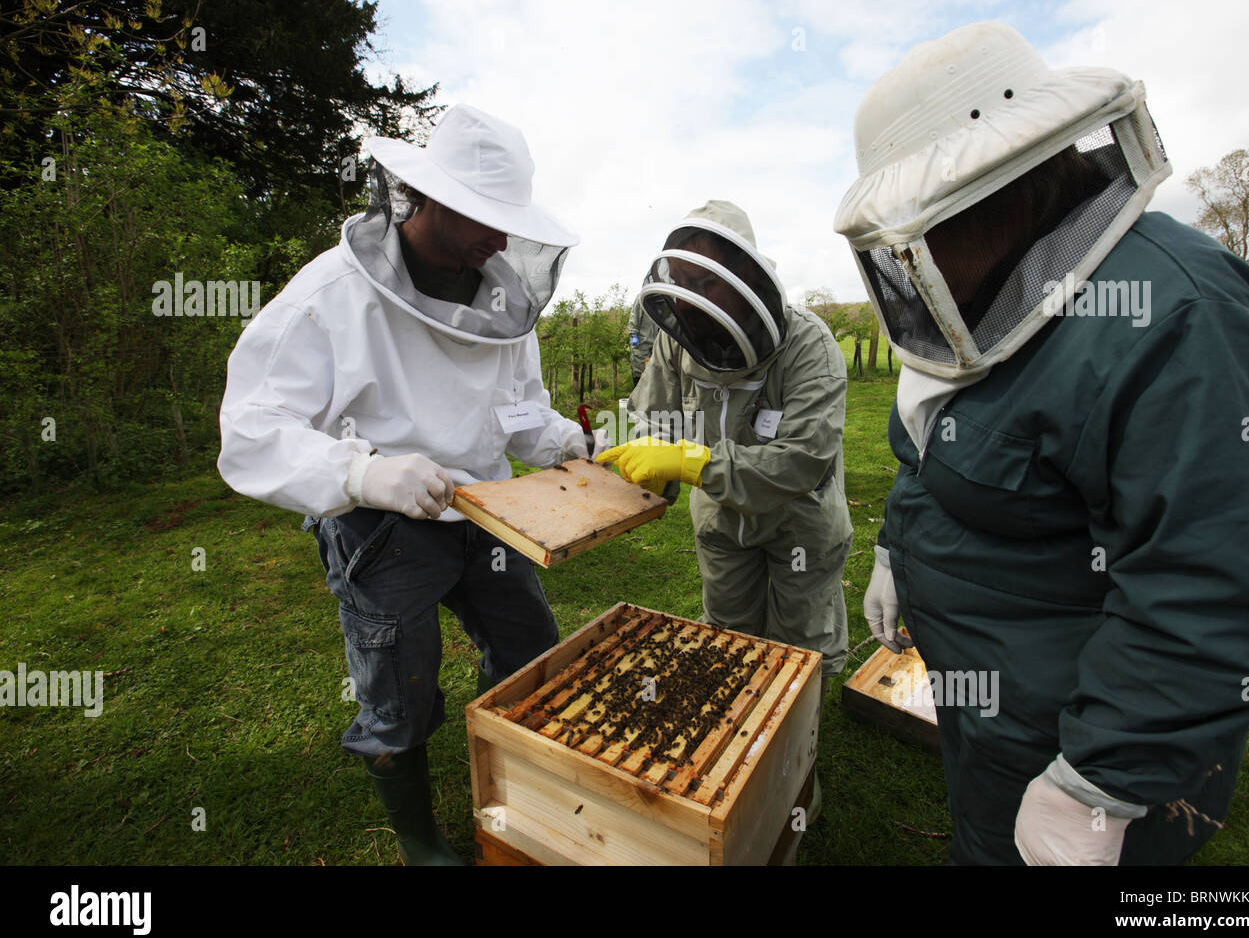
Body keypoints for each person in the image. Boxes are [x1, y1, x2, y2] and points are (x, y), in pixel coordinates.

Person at [835, 21, 1249, 865]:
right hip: (994, 719)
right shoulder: (989, 307)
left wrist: (1101, 782)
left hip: (1084, 750)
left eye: (922, 228)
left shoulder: (1183, 317)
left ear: (995, 196)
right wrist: (897, 551)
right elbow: (928, 455)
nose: (914, 262)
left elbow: (1220, 585)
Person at [218, 104, 604, 865]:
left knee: (531, 651)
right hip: (380, 527)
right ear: (428, 200)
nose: (501, 239)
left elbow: (516, 408)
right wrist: (361, 472)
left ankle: (528, 789)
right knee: (398, 688)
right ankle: (421, 842)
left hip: (487, 514)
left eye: (509, 221)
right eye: (486, 219)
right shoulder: (328, 296)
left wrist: (568, 442)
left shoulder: (501, 299)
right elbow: (250, 431)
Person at [600, 200, 852, 694]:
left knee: (798, 650)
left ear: (744, 277)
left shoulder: (808, 345)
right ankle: (737, 744)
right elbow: (656, 422)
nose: (691, 300)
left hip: (797, 521)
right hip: (720, 521)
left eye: (705, 283)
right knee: (729, 639)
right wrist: (647, 470)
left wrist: (695, 461)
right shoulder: (676, 339)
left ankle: (792, 759)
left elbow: (801, 459)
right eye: (684, 282)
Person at [627, 299, 659, 385]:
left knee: (653, 374)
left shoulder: (658, 301)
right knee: (639, 371)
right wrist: (633, 334)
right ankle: (637, 396)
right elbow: (634, 316)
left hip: (654, 344)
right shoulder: (642, 298)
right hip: (640, 343)